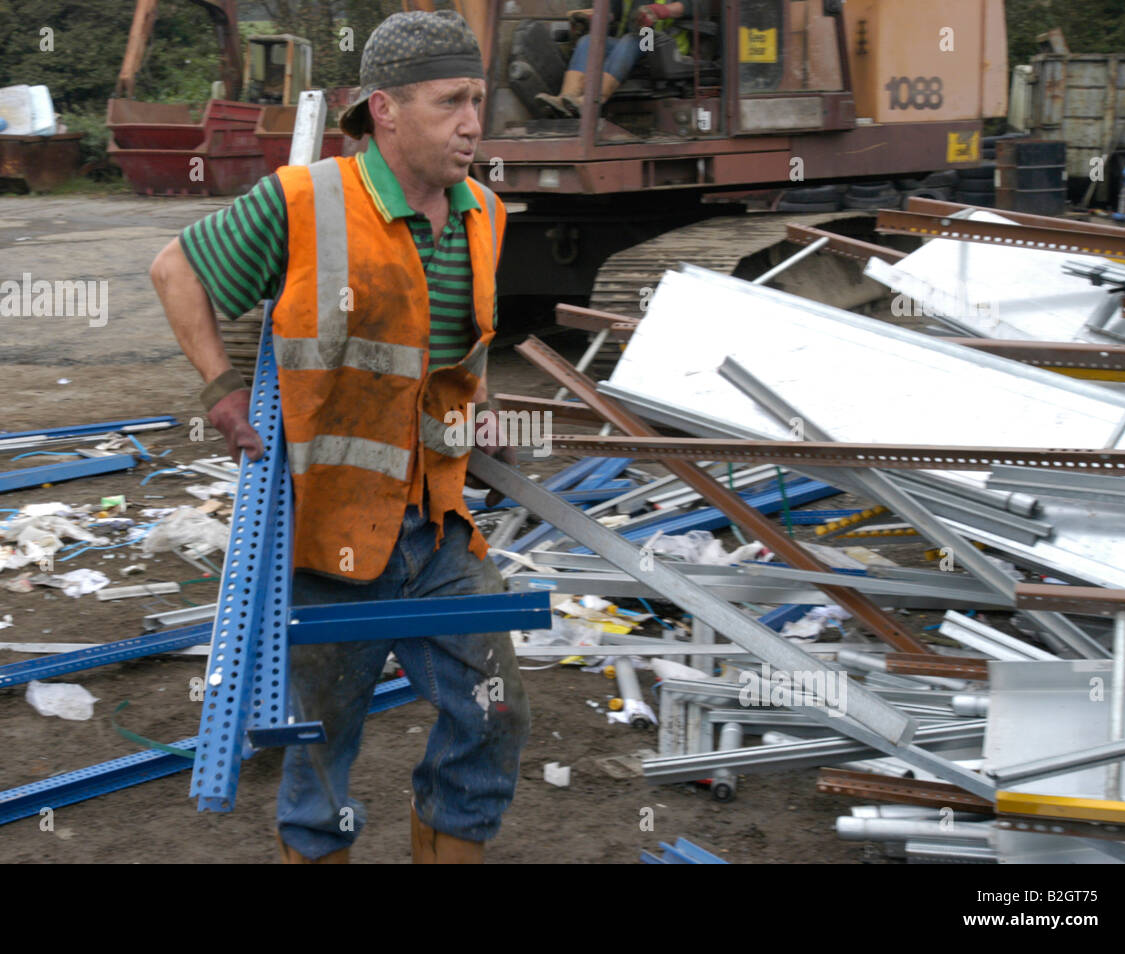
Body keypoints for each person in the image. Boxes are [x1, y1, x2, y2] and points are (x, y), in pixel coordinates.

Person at [148, 9, 530, 864]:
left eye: (478, 100)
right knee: (317, 763)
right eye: (449, 103)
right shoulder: (307, 201)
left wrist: (481, 420)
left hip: (435, 535)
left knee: (497, 711)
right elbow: (175, 269)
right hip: (326, 545)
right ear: (384, 110)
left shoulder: (485, 217)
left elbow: (447, 360)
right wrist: (219, 389)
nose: (473, 122)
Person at [536, 1, 707, 118]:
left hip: (663, 44)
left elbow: (694, 5)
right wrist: (591, 18)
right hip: (633, 37)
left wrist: (661, 10)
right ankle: (567, 97)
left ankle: (593, 99)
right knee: (587, 41)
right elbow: (613, 13)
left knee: (630, 40)